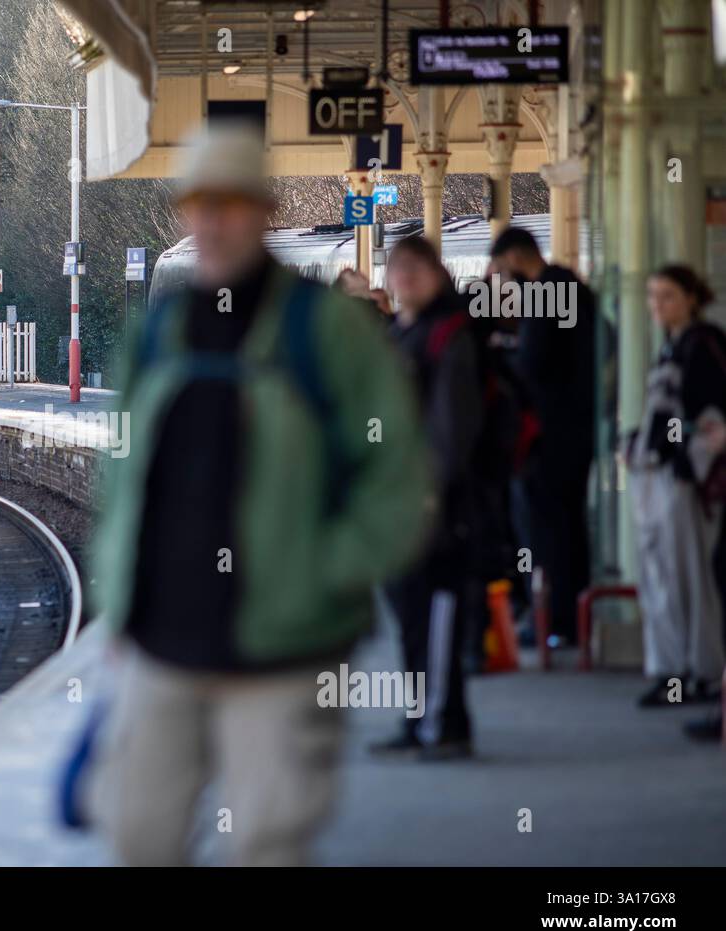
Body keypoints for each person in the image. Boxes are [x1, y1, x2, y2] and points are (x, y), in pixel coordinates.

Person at [86, 122, 433, 865]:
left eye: (232, 203)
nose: (212, 221)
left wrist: (326, 575)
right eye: (197, 203)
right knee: (136, 834)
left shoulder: (327, 332)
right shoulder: (158, 333)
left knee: (267, 846)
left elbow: (397, 475)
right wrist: (120, 593)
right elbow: (122, 474)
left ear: (264, 209)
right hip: (160, 644)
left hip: (284, 648)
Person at [370, 235, 483, 759]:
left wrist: (431, 493)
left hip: (438, 507)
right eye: (399, 270)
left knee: (437, 617)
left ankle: (444, 724)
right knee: (412, 617)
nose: (406, 279)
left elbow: (451, 428)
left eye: (417, 269)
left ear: (438, 274)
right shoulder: (400, 332)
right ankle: (419, 721)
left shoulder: (449, 335)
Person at [625, 265, 726, 724]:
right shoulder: (678, 345)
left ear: (690, 297)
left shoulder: (700, 346)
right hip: (669, 472)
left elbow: (707, 416)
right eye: (653, 296)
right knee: (669, 577)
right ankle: (679, 672)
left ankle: (695, 673)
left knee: (684, 578)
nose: (658, 305)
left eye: (667, 295)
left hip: (685, 479)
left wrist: (683, 457)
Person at [489, 228, 596, 647]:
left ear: (516, 257)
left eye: (502, 269)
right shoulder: (572, 285)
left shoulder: (544, 290)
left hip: (551, 431)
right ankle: (572, 619)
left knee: (545, 529)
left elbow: (534, 361)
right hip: (578, 427)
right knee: (570, 525)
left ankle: (552, 620)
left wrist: (503, 351)